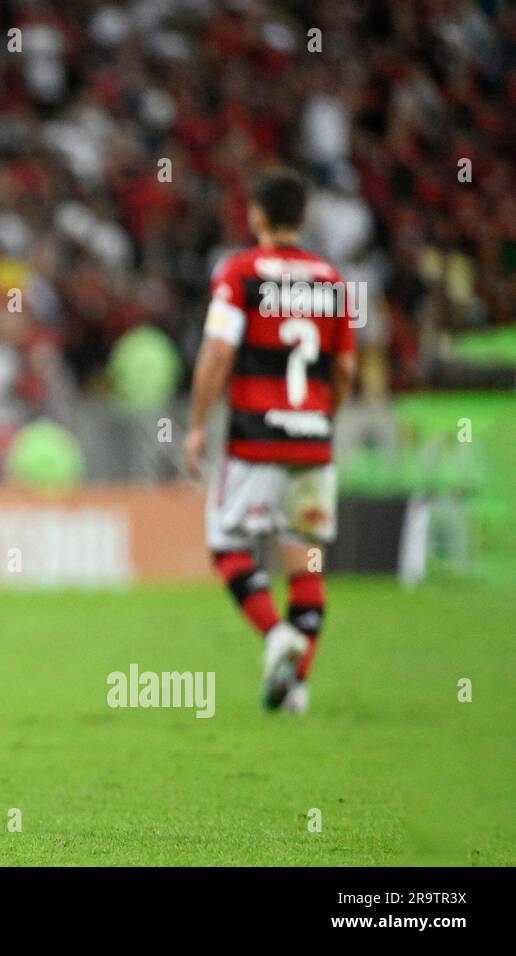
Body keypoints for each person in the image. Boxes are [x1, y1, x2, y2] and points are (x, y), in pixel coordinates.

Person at [184, 168, 357, 713]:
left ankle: (277, 636)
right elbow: (346, 365)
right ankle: (297, 687)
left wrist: (195, 423)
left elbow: (217, 351)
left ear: (256, 214)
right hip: (312, 440)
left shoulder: (239, 273)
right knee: (305, 562)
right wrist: (326, 415)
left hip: (255, 439)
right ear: (303, 218)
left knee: (229, 546)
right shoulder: (332, 281)